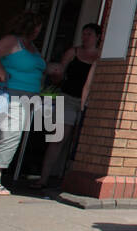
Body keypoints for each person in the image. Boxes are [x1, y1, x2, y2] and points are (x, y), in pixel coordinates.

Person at [0, 12, 58, 195]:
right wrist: (1, 74)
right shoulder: (12, 41)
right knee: (8, 137)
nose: (39, 30)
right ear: (32, 26)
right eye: (38, 27)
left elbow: (34, 67)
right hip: (11, 97)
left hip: (24, 98)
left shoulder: (30, 46)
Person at [33, 22, 101, 189]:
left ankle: (68, 179)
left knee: (79, 141)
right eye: (84, 33)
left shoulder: (101, 55)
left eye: (89, 34)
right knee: (58, 138)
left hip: (89, 102)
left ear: (98, 37)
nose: (85, 37)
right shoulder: (73, 52)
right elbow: (60, 72)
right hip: (68, 98)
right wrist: (55, 74)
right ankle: (43, 178)